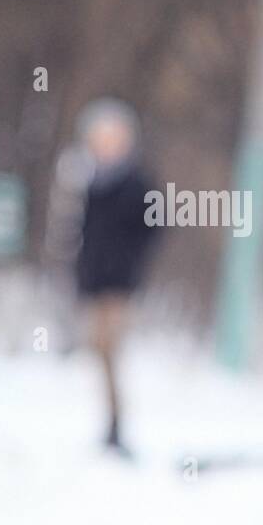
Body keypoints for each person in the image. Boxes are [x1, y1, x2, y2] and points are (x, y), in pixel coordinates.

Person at [73, 98, 162, 456]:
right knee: (99, 353)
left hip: (119, 286)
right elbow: (84, 236)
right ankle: (110, 422)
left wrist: (128, 265)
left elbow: (152, 230)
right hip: (95, 283)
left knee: (111, 351)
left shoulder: (136, 183)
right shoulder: (93, 182)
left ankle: (116, 425)